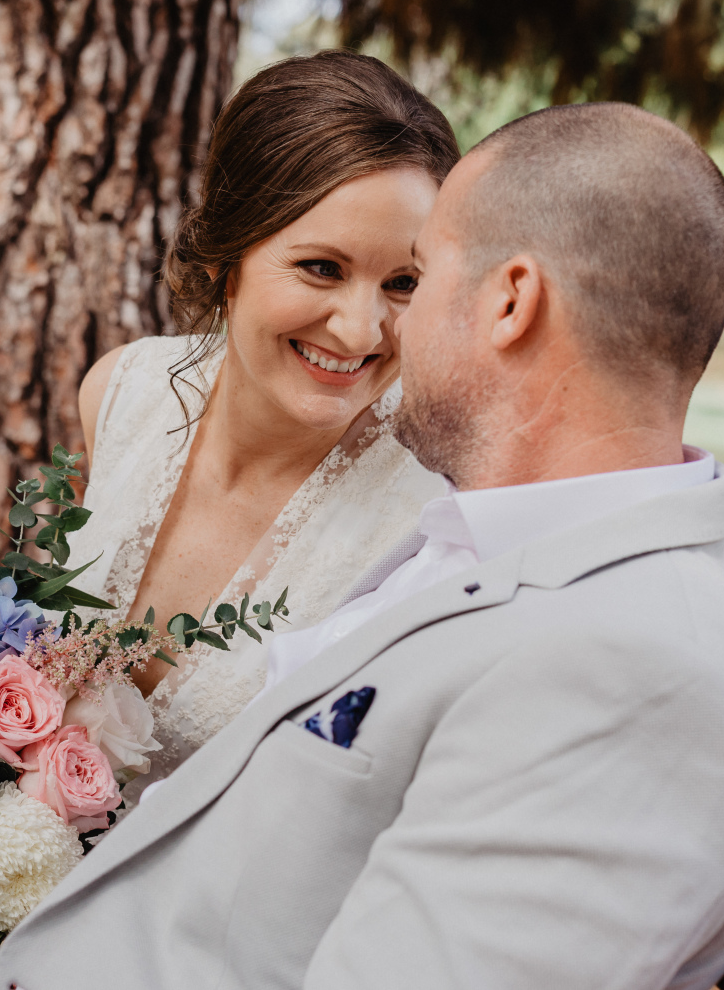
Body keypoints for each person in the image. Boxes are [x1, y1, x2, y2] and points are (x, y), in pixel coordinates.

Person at [0, 102, 724, 990]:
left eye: (417, 275)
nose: (373, 332)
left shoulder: (635, 674)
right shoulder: (496, 543)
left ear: (510, 302)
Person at [64, 51, 457, 793]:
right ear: (228, 256)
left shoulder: (435, 512)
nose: (360, 329)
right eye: (322, 267)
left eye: (404, 282)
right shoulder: (120, 392)